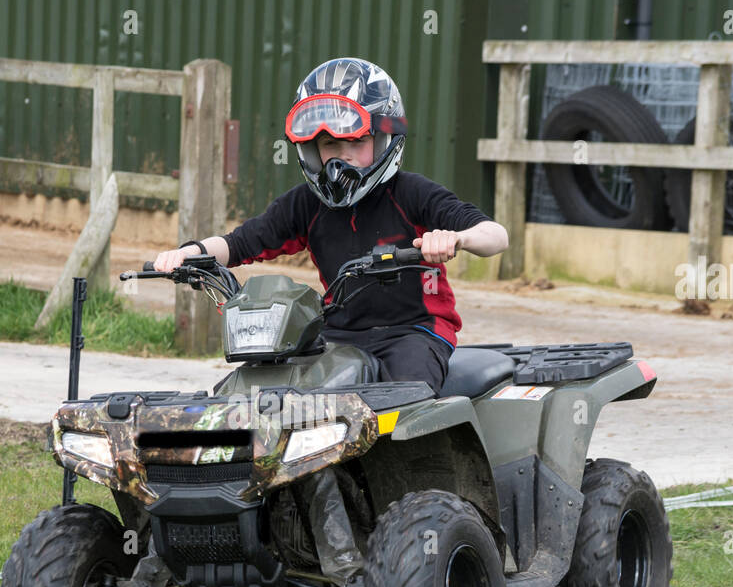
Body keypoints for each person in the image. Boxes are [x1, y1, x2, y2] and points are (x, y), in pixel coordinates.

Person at [153, 56, 508, 394]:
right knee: (275, 391)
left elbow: (496, 236)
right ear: (311, 150)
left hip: (413, 333)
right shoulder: (307, 204)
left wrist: (455, 239)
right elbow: (240, 243)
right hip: (337, 335)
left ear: (384, 138)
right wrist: (191, 252)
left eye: (356, 140)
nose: (342, 154)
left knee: (404, 399)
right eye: (329, 143)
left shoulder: (412, 194)